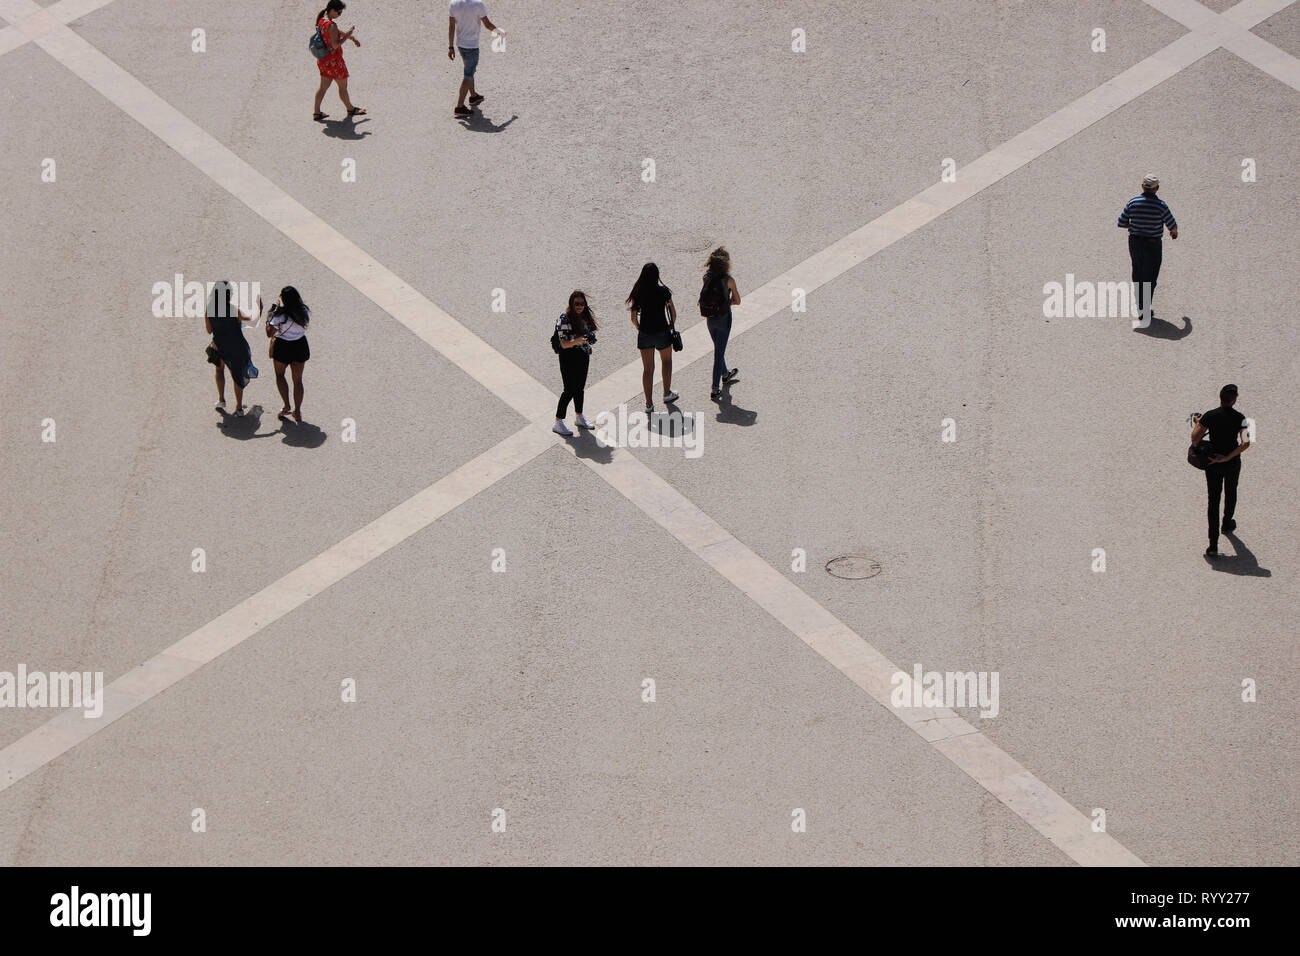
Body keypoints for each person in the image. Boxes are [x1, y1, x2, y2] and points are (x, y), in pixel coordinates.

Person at [1190, 384, 1249, 556]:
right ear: (1234, 399)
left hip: (1212, 462)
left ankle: (1213, 544)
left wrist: (1199, 424)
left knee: (1213, 500)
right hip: (1232, 463)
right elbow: (1246, 442)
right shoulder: (1241, 418)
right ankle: (1227, 523)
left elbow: (1194, 437)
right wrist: (1229, 457)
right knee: (1231, 492)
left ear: (1220, 398)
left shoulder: (1210, 416)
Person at [1116, 174, 1177, 326]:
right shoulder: (1161, 206)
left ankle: (1141, 307)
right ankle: (1145, 308)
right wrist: (1173, 233)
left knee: (1138, 273)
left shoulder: (1133, 202)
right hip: (1153, 245)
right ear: (1157, 188)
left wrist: (1135, 226)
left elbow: (1121, 222)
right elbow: (1172, 226)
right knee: (1151, 276)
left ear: (1142, 187)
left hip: (1135, 243)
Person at [627, 263, 679, 414]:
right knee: (667, 361)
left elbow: (633, 318)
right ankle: (667, 393)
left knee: (648, 369)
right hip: (662, 331)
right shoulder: (663, 291)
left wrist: (639, 328)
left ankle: (649, 404)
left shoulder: (638, 292)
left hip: (645, 334)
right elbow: (673, 313)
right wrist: (670, 326)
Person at [206, 281, 261, 416]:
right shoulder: (233, 309)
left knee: (219, 371)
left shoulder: (209, 310)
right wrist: (259, 308)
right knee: (237, 376)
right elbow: (251, 320)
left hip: (219, 347)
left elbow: (209, 330)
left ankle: (221, 400)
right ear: (228, 294)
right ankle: (239, 408)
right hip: (237, 347)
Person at [553, 291, 597, 437]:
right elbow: (564, 344)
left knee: (580, 388)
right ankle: (558, 422)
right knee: (569, 390)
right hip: (568, 357)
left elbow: (589, 334)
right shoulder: (564, 318)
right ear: (571, 304)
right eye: (577, 304)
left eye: (582, 304)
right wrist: (580, 340)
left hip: (582, 356)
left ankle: (579, 417)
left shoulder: (584, 317)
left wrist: (589, 338)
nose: (579, 306)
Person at [699, 246, 741, 401]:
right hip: (724, 319)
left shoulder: (706, 277)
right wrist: (727, 303)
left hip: (710, 319)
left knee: (718, 348)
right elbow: (737, 300)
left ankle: (725, 374)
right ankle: (715, 388)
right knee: (718, 353)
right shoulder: (729, 280)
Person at [265, 287, 312, 423]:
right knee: (298, 381)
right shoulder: (304, 311)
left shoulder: (280, 316)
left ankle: (286, 406)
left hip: (283, 347)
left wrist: (269, 316)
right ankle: (297, 411)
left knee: (280, 376)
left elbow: (269, 333)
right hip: (300, 345)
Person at [313, 2, 365, 121]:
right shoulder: (332, 25)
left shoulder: (322, 20)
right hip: (334, 61)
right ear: (332, 10)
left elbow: (334, 33)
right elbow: (336, 45)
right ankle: (351, 109)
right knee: (343, 87)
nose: (340, 14)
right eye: (339, 12)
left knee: (323, 87)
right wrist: (347, 36)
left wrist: (351, 38)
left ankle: (316, 112)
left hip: (323, 60)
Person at [448, 0, 500, 117]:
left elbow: (451, 26)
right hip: (472, 46)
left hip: (460, 45)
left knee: (469, 70)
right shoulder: (478, 4)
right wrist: (498, 32)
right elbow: (487, 24)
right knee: (468, 75)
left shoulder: (453, 4)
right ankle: (459, 107)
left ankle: (473, 96)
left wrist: (451, 47)